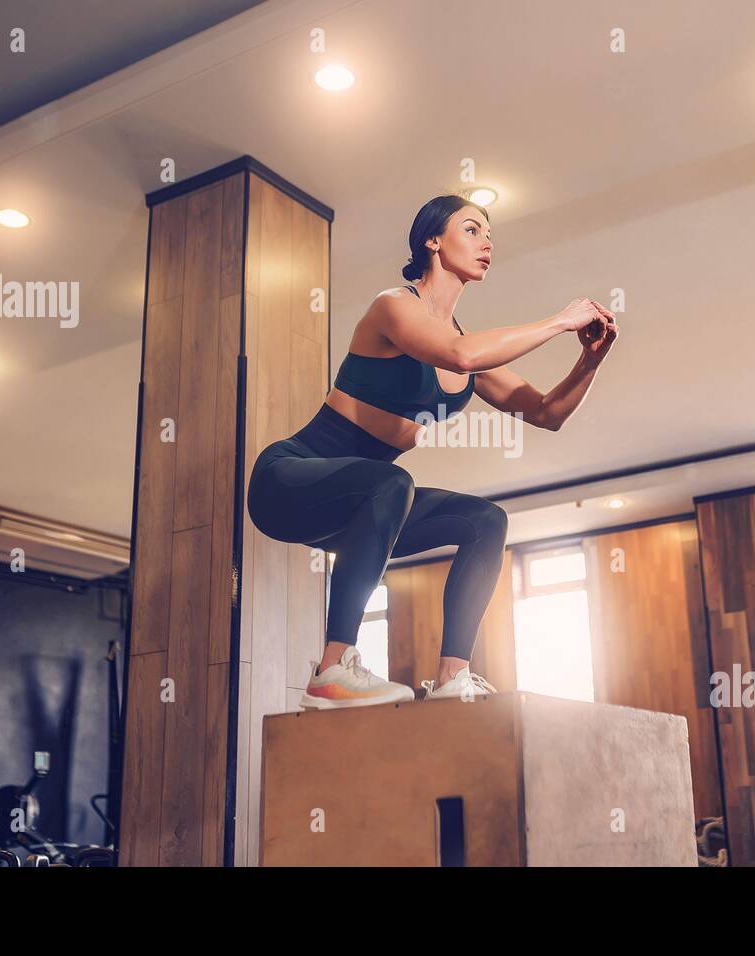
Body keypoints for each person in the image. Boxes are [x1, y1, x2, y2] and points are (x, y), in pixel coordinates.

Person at [247, 195, 619, 708]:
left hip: (366, 507)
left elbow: (547, 413)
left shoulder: (470, 349)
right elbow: (458, 354)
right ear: (432, 240)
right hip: (287, 481)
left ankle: (452, 679)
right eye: (471, 229)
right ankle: (332, 670)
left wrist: (589, 362)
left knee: (485, 519)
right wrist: (560, 321)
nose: (487, 242)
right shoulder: (393, 306)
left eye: (490, 235)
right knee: (392, 481)